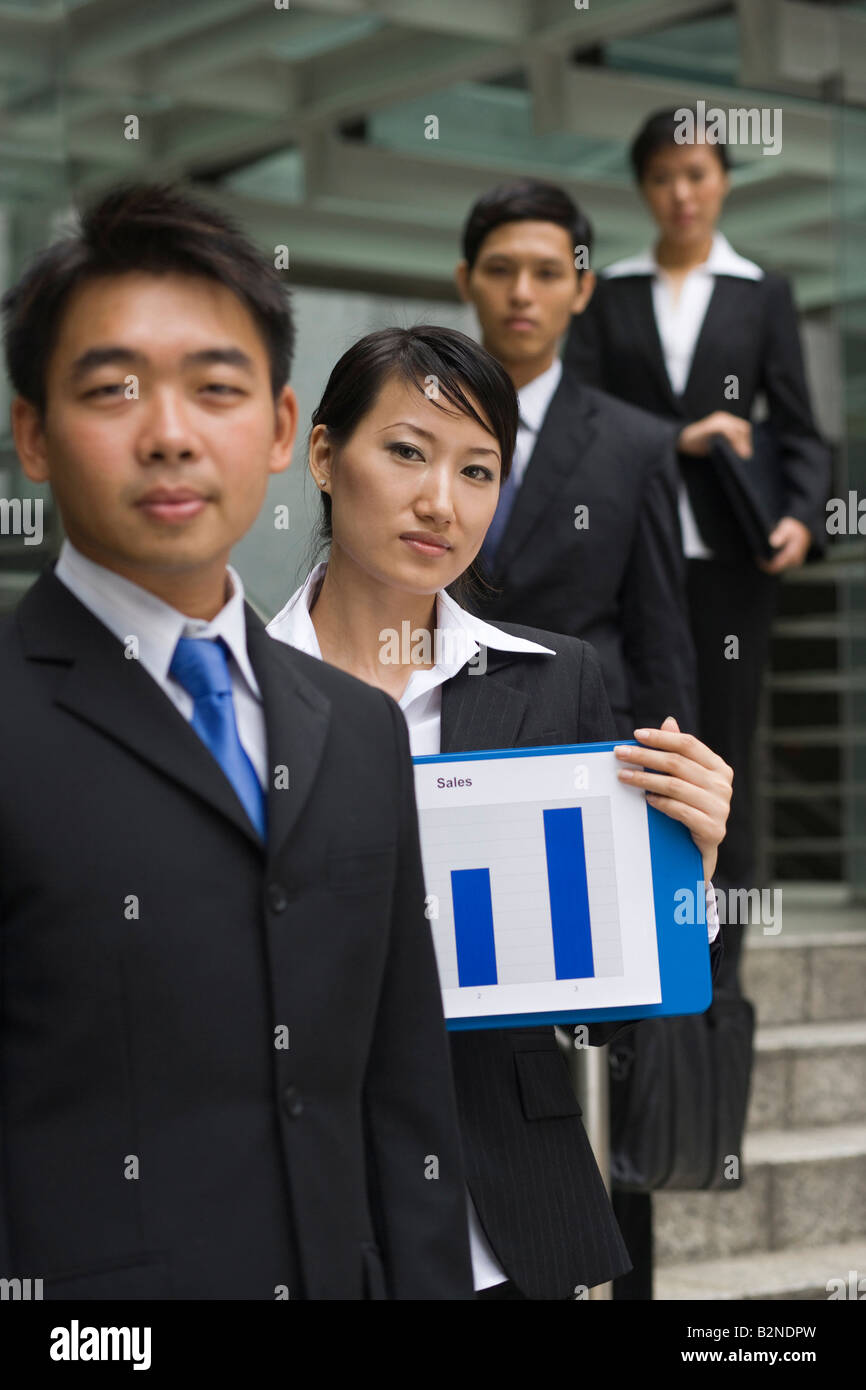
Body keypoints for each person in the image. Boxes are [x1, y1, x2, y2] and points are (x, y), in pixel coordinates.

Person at [0, 184, 474, 1300]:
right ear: (31, 433)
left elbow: (402, 1101)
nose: (168, 433)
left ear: (273, 429)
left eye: (214, 389)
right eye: (112, 389)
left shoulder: (354, 732)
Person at [267, 323, 732, 1300]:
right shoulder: (226, 691)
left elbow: (612, 1004)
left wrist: (681, 871)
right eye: (404, 452)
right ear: (321, 453)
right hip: (285, 1221)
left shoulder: (555, 681)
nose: (440, 500)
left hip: (503, 1227)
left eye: (478, 471)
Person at [565, 109, 831, 981]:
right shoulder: (609, 291)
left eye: (698, 173)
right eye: (663, 177)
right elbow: (582, 409)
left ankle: (717, 969)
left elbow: (799, 427)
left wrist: (802, 514)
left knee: (725, 746)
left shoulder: (763, 292)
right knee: (637, 740)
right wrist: (678, 435)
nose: (682, 193)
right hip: (629, 552)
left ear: (722, 181)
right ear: (644, 188)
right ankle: (628, 943)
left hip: (729, 561)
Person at [454, 178, 698, 736]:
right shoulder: (414, 426)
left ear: (583, 289)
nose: (521, 293)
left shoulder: (636, 444)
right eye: (499, 270)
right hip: (430, 732)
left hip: (582, 743)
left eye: (547, 273)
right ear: (466, 281)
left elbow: (659, 635)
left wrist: (669, 788)